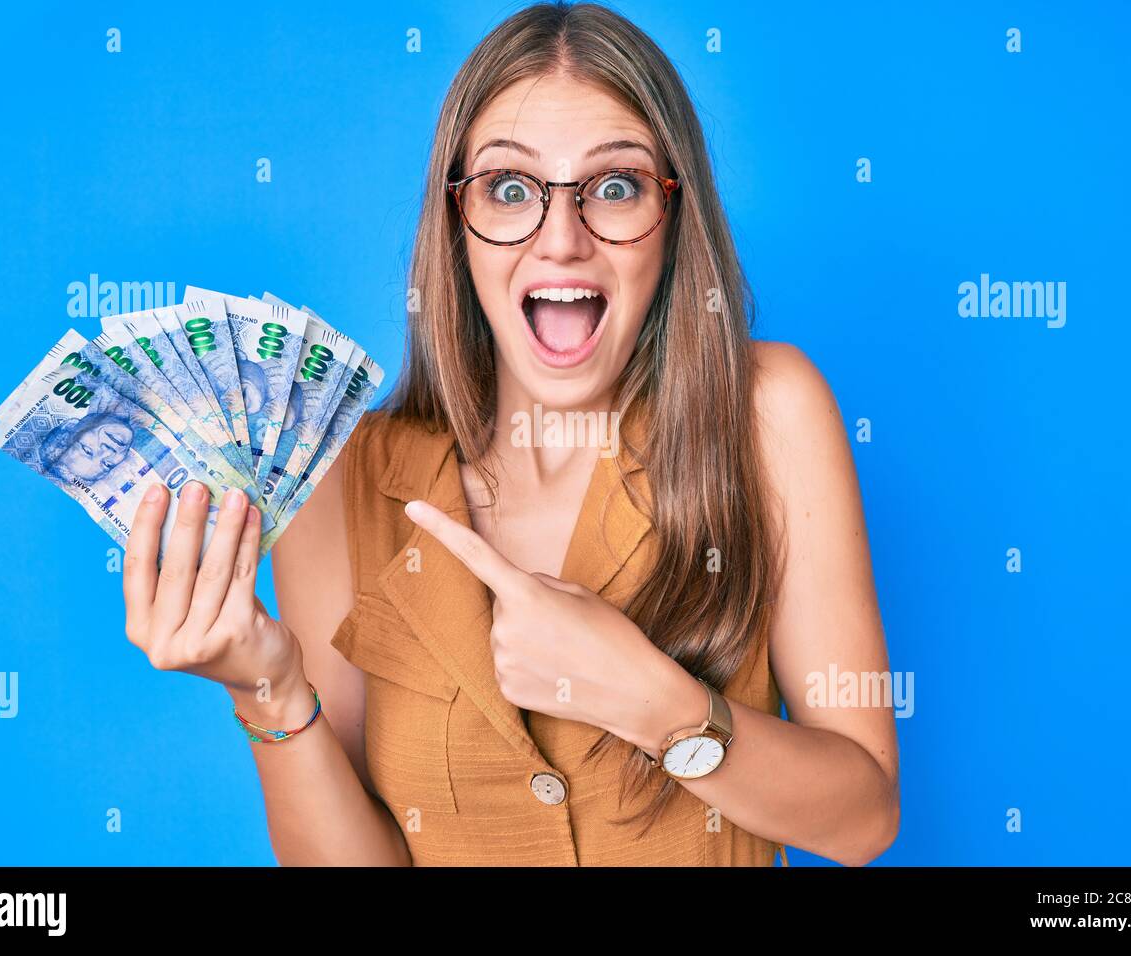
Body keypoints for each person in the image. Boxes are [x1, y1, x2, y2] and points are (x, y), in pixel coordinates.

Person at [121, 0, 899, 866]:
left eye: (615, 186)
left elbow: (862, 817)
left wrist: (654, 702)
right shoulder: (339, 474)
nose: (561, 240)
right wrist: (267, 690)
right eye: (510, 189)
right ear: (456, 223)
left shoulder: (767, 413)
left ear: (672, 216)